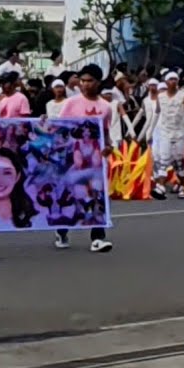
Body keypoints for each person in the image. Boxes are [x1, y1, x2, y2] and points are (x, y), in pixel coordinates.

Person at [54, 64, 114, 253]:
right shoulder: (72, 104)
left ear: (98, 82)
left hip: (95, 160)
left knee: (96, 195)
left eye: (90, 81)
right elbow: (60, 127)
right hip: (74, 157)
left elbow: (105, 131)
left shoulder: (105, 107)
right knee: (70, 195)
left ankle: (97, 237)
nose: (86, 84)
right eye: (83, 81)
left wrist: (109, 147)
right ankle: (61, 231)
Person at [152, 72, 184, 200]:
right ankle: (160, 187)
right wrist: (149, 132)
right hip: (165, 133)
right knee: (163, 159)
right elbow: (156, 116)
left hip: (180, 133)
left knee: (179, 161)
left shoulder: (183, 95)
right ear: (166, 82)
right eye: (170, 79)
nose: (173, 82)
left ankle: (183, 186)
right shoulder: (160, 97)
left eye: (175, 79)